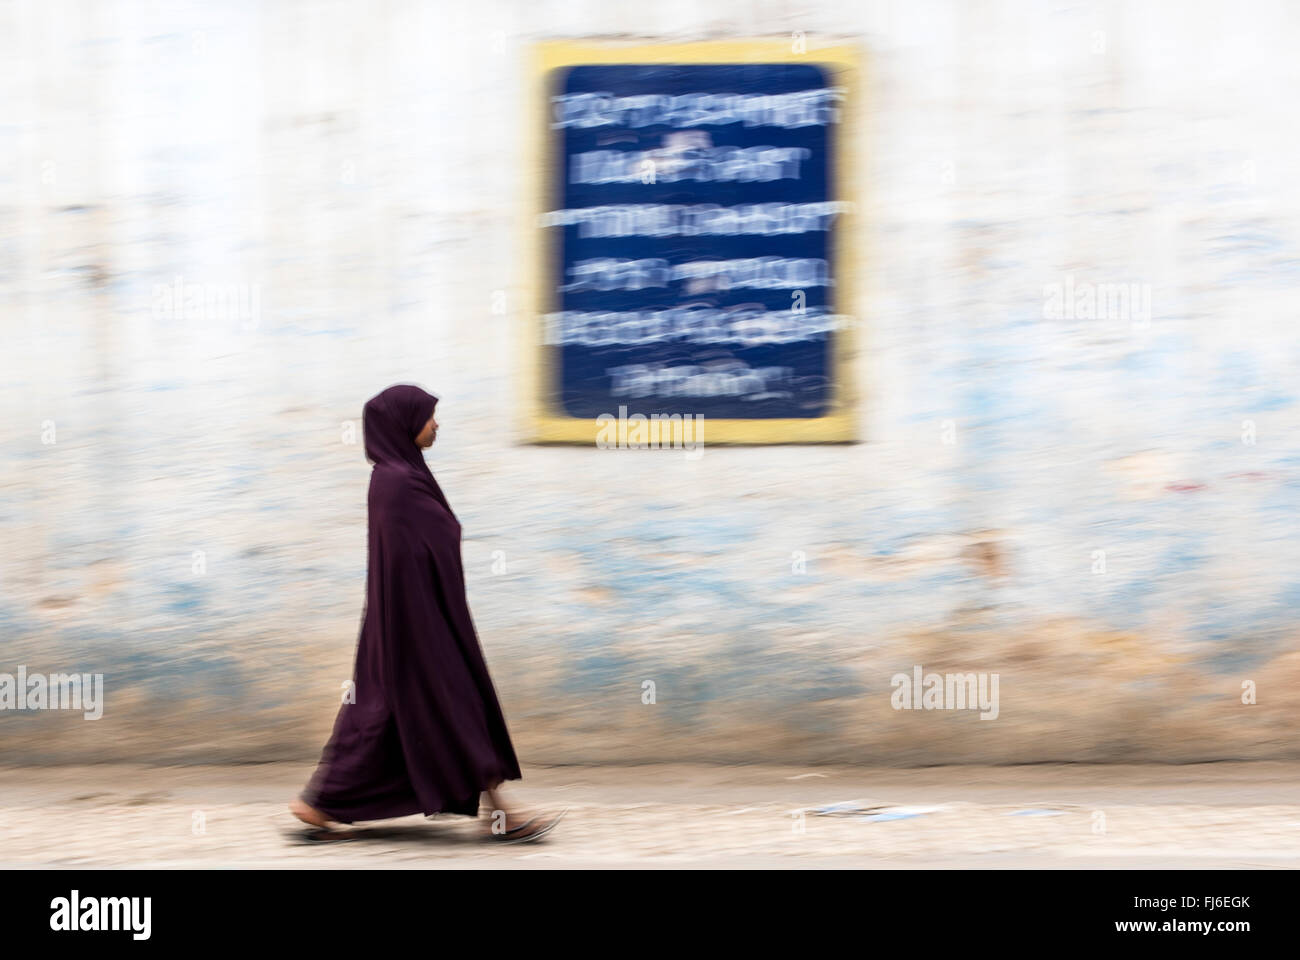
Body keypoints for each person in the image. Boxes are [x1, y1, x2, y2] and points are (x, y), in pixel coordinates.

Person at [290, 383, 563, 843]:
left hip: (417, 617)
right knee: (454, 704)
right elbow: (411, 554)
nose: (436, 424)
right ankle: (501, 814)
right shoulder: (397, 482)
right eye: (428, 415)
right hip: (417, 622)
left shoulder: (400, 474)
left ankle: (320, 803)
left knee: (388, 717)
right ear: (403, 422)